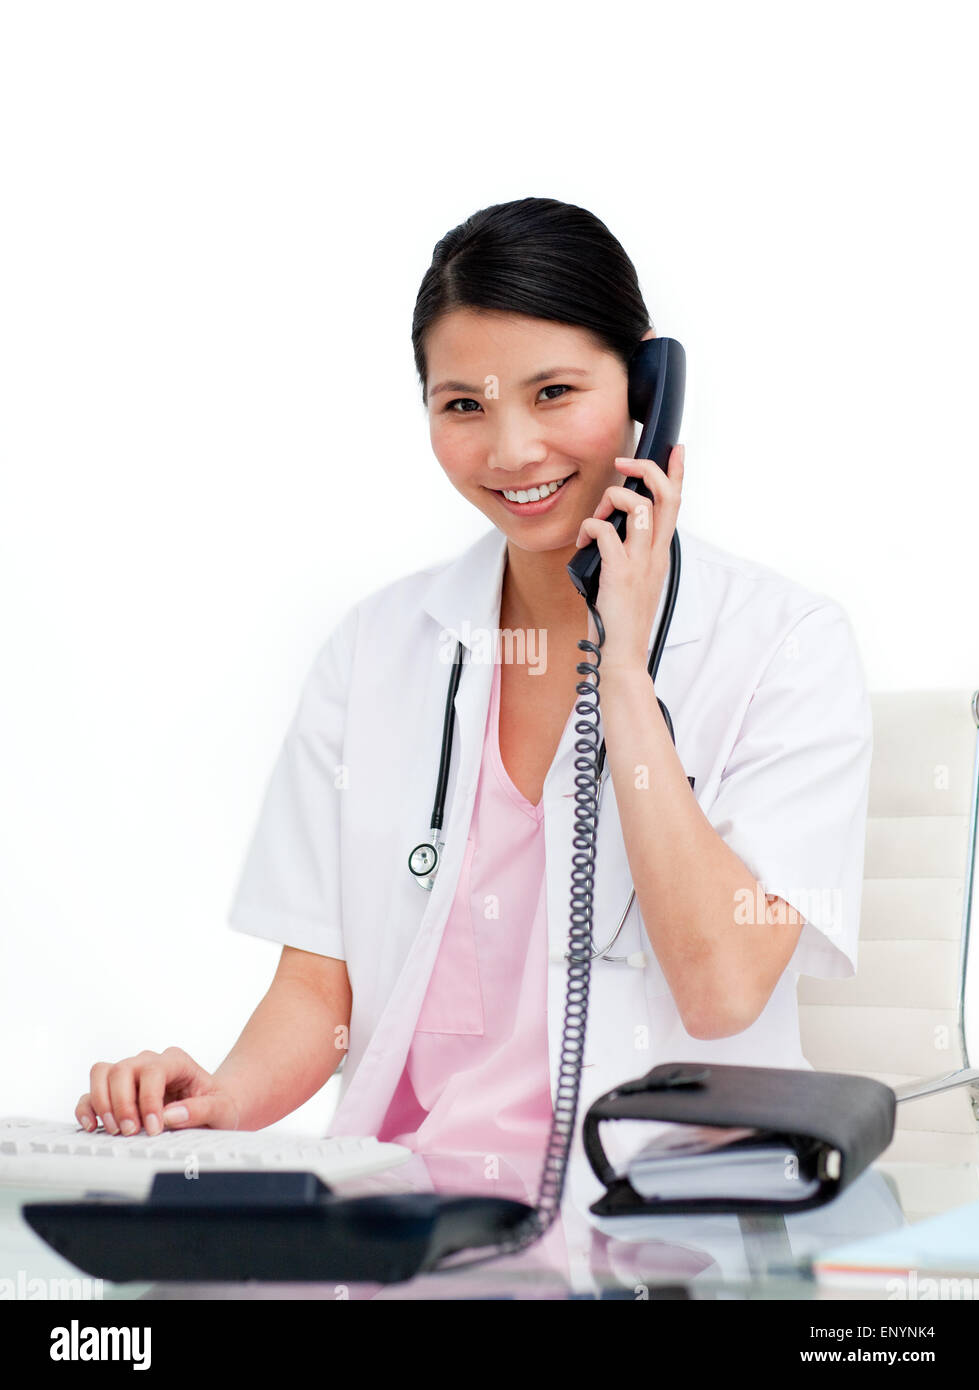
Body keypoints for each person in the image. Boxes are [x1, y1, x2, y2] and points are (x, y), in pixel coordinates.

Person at [75, 200, 872, 1219]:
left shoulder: (786, 646)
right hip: (404, 1219)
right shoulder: (377, 648)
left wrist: (621, 669)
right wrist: (222, 1099)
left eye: (554, 392)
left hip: (645, 1223)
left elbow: (719, 989)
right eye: (463, 405)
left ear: (645, 390)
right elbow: (322, 992)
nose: (511, 450)